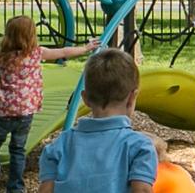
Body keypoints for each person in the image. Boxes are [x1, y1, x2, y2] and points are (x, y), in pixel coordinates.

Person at [0, 16, 99, 193]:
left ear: (8, 36)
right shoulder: (37, 53)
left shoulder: (2, 56)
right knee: (18, 150)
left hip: (2, 111)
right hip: (26, 111)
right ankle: (16, 188)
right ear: (31, 36)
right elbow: (64, 52)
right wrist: (86, 48)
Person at [38, 48, 158, 193]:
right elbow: (142, 190)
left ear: (85, 98)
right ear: (132, 98)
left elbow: (46, 190)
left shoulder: (59, 145)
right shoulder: (139, 147)